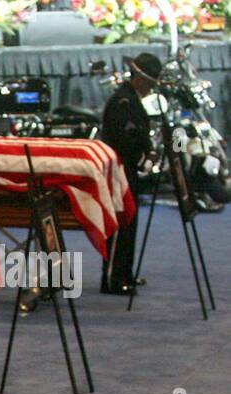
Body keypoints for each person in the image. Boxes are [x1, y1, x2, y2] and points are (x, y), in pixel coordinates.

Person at [100, 53, 161, 296]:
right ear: (138, 79)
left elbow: (139, 135)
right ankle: (113, 277)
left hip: (129, 171)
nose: (150, 89)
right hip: (119, 170)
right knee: (119, 223)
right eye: (148, 83)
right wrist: (142, 158)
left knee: (130, 222)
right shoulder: (122, 102)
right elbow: (123, 140)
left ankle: (125, 273)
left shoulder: (132, 100)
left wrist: (149, 152)